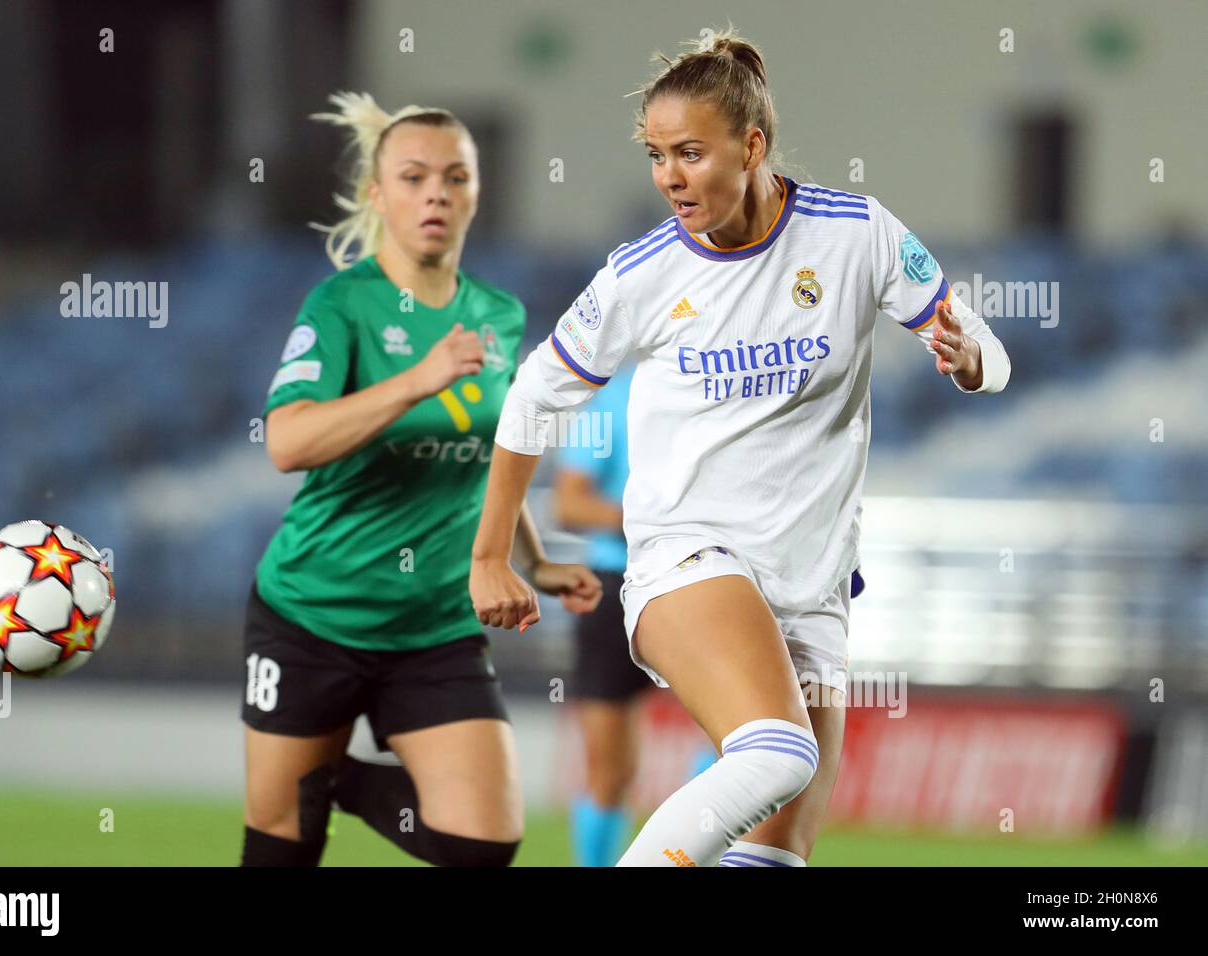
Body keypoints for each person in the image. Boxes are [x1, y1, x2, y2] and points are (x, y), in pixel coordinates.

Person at [469, 28, 1010, 867]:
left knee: (775, 858)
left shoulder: (854, 233)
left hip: (815, 584)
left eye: (690, 153)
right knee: (777, 753)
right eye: (657, 155)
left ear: (752, 145)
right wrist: (490, 549)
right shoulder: (641, 275)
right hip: (689, 559)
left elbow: (985, 349)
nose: (669, 178)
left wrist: (971, 360)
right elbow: (534, 394)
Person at [241, 90, 600, 867]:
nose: (436, 191)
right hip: (313, 613)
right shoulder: (342, 305)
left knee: (483, 845)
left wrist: (530, 559)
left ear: (476, 193)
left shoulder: (499, 314)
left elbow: (490, 455)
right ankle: (313, 786)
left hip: (434, 625)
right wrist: (416, 380)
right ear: (377, 195)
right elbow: (287, 442)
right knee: (280, 852)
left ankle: (328, 777)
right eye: (412, 177)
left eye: (455, 177)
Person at [551, 363, 655, 865]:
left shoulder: (724, 384)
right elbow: (568, 503)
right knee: (609, 771)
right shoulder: (613, 400)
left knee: (736, 743)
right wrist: (648, 518)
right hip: (614, 587)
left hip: (710, 579)